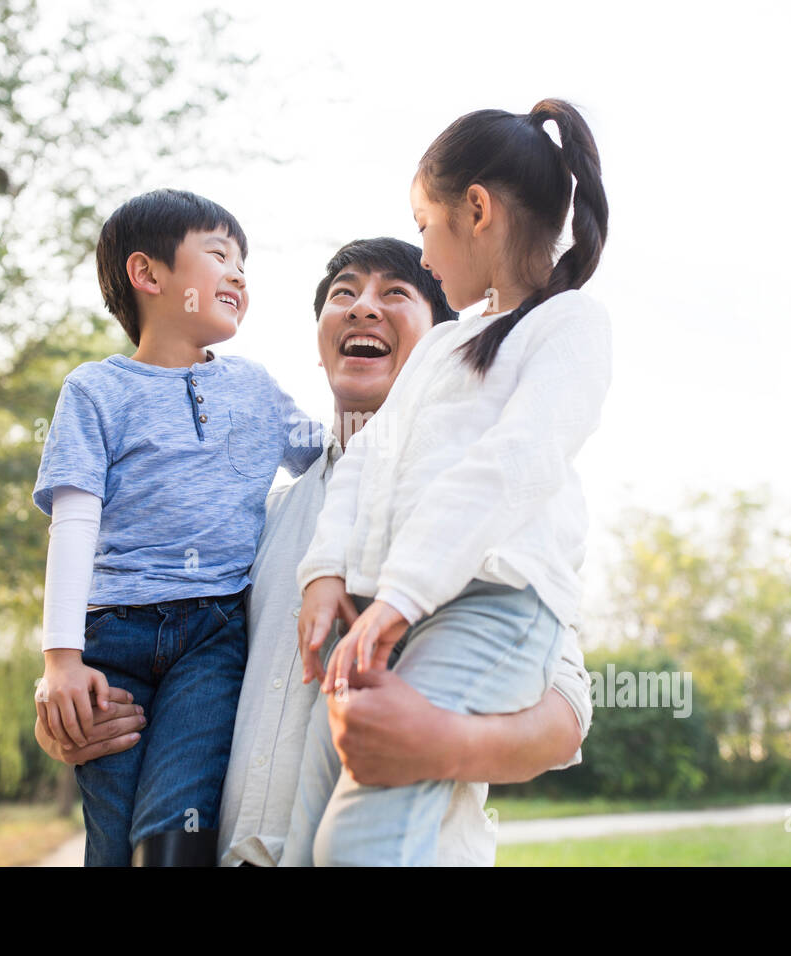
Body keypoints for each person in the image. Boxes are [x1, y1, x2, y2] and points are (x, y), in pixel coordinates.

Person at [35, 236, 594, 867]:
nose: (363, 308)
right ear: (320, 340)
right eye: (344, 293)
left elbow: (565, 713)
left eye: (395, 293)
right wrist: (73, 706)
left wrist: (441, 742)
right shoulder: (257, 518)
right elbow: (169, 652)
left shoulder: (481, 505)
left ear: (443, 349)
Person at [285, 98, 612, 866]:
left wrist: (397, 596)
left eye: (424, 224)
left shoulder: (569, 325)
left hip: (493, 607)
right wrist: (325, 570)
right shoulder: (444, 348)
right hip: (404, 614)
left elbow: (516, 461)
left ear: (476, 209)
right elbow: (367, 459)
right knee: (308, 831)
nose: (422, 256)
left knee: (359, 843)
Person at [31, 188, 324, 866]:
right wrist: (61, 661)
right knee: (111, 835)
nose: (240, 273)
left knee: (175, 821)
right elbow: (73, 524)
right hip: (111, 641)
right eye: (219, 253)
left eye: (243, 261)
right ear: (149, 274)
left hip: (211, 636)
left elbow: (332, 451)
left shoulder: (253, 387)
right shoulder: (94, 391)